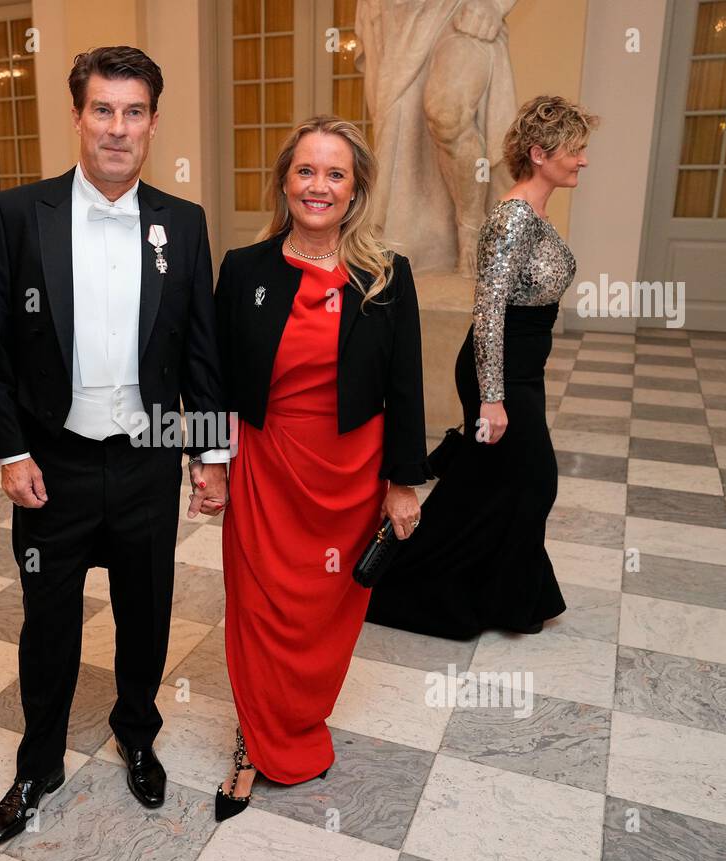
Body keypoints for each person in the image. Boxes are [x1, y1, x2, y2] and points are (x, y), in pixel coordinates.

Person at [0, 47, 229, 844]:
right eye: (103, 110)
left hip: (148, 458)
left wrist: (210, 457)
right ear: (77, 115)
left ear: (153, 120)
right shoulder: (18, 214)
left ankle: (137, 733)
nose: (119, 128)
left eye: (135, 111)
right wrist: (11, 453)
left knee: (146, 614)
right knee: (48, 618)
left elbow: (200, 353)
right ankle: (38, 759)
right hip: (56, 462)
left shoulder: (182, 223)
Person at [213, 116, 431, 821]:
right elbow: (210, 377)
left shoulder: (387, 275)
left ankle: (299, 725)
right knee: (259, 608)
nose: (318, 185)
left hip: (349, 473)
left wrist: (404, 481)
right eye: (306, 170)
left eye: (335, 173)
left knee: (322, 616)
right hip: (265, 464)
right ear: (284, 181)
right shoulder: (244, 269)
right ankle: (254, 740)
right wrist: (207, 463)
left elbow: (406, 385)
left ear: (356, 189)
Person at [366, 95, 598, 638]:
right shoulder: (513, 217)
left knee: (487, 486)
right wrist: (491, 399)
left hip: (522, 369)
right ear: (539, 154)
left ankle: (475, 590)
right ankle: (432, 589)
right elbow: (489, 308)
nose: (583, 160)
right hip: (498, 373)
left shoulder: (534, 212)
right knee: (535, 482)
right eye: (575, 149)